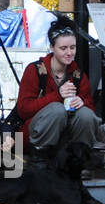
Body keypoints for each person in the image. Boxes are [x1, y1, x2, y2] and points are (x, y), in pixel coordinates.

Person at [15, 22, 99, 155]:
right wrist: (57, 95)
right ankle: (42, 161)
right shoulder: (34, 70)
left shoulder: (78, 75)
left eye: (72, 47)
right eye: (63, 48)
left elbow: (92, 111)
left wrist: (83, 104)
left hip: (68, 135)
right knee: (57, 110)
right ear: (52, 47)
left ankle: (80, 160)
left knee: (86, 115)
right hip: (35, 135)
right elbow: (23, 110)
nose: (69, 53)